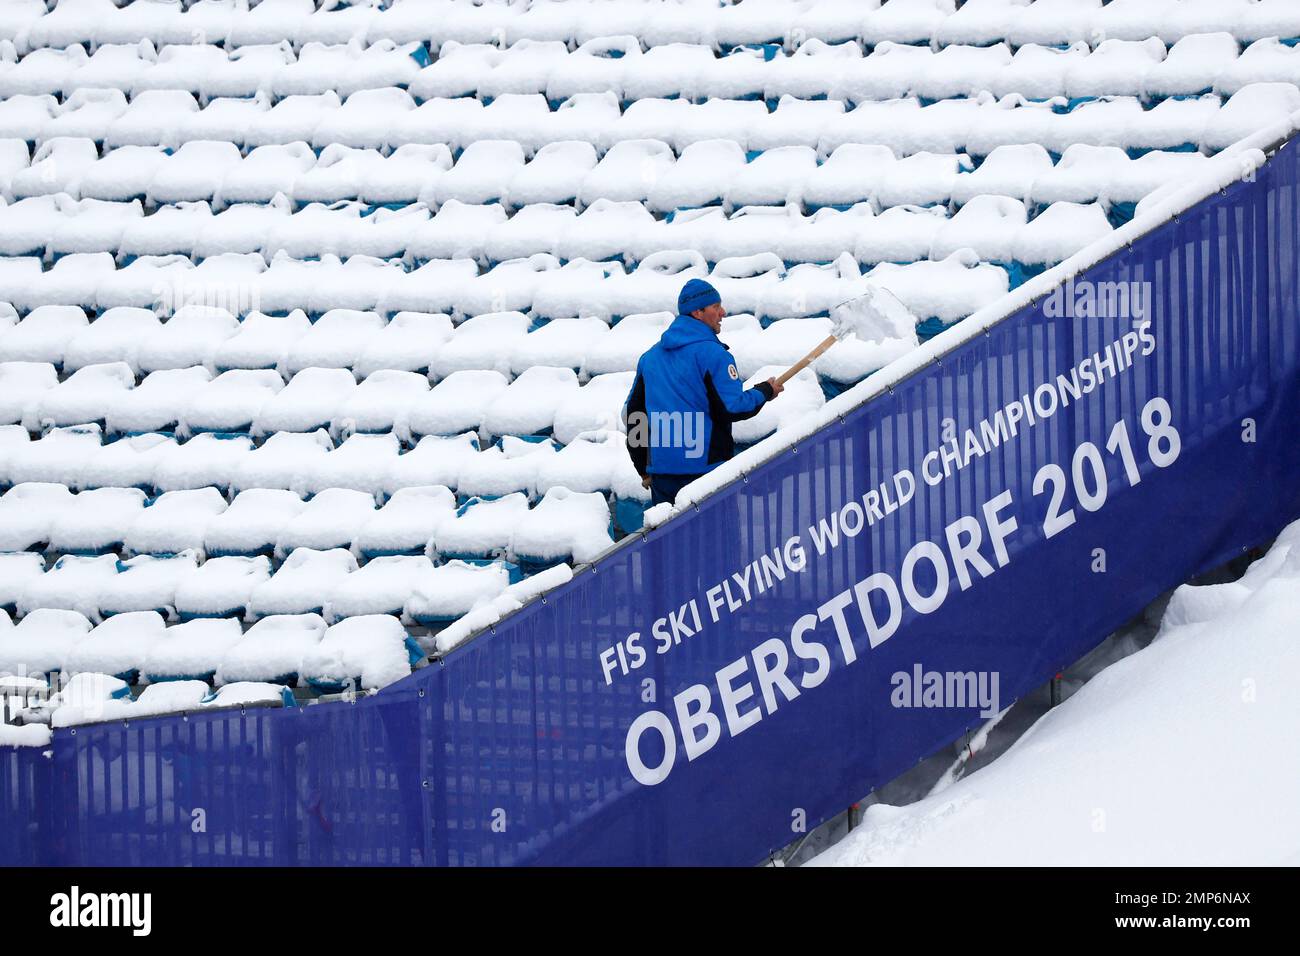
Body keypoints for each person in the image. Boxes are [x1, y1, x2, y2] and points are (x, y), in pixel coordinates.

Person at [623, 278, 784, 506]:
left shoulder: (650, 358)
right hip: (707, 474)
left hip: (663, 475)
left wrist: (644, 469)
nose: (723, 312)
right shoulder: (714, 355)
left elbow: (634, 415)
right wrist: (765, 391)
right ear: (698, 312)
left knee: (674, 542)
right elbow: (733, 406)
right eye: (716, 307)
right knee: (719, 539)